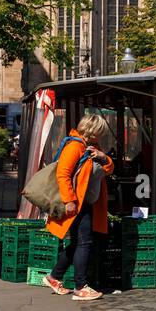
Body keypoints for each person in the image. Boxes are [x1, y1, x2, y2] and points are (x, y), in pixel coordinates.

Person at [43, 114, 114, 301]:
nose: (101, 137)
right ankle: (80, 287)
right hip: (76, 204)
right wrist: (69, 200)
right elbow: (63, 174)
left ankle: (54, 277)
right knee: (84, 242)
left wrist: (103, 157)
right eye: (100, 133)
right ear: (93, 131)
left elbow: (108, 169)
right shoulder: (75, 146)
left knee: (77, 242)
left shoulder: (89, 147)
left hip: (83, 202)